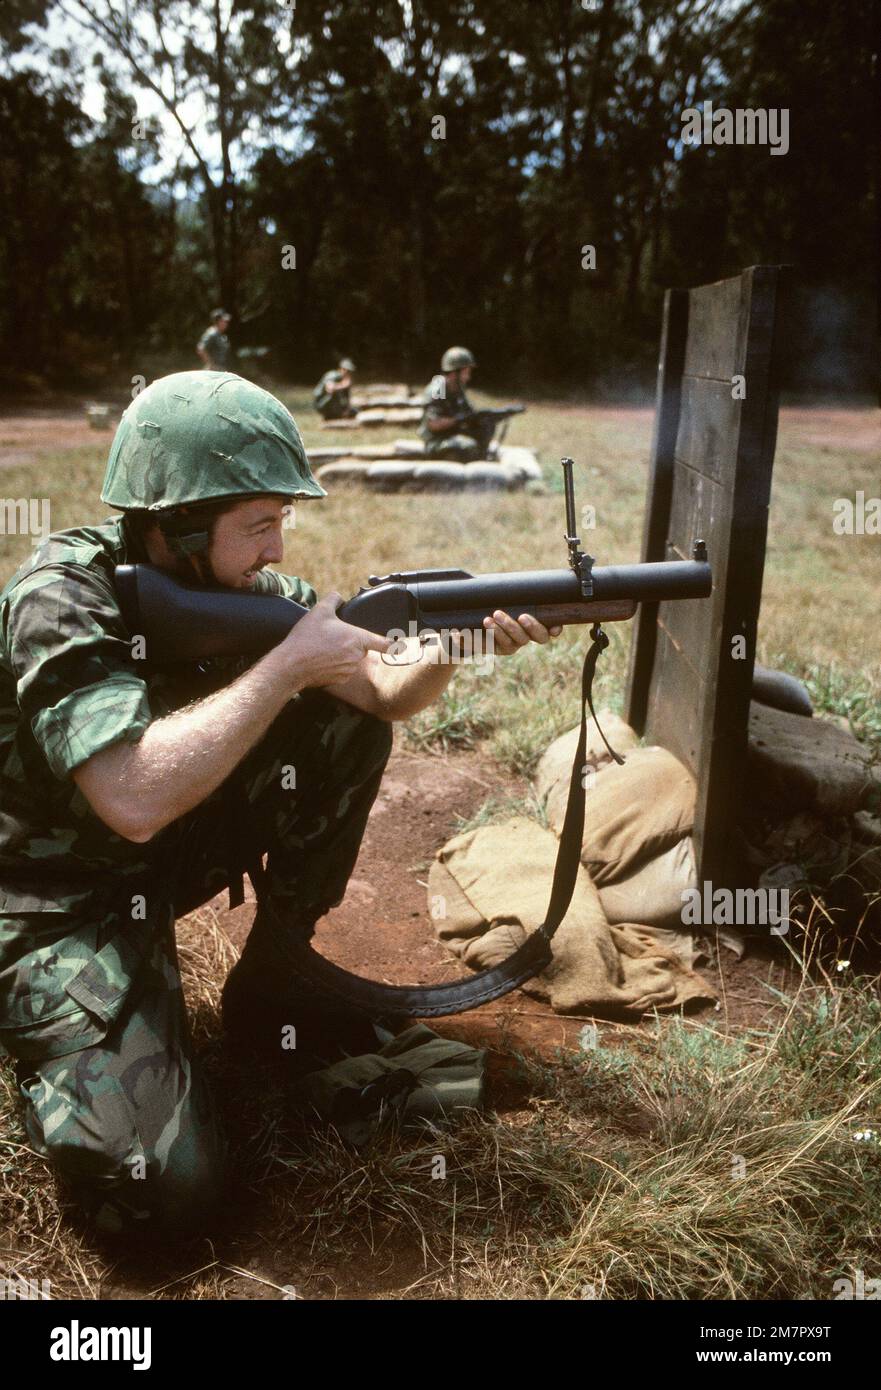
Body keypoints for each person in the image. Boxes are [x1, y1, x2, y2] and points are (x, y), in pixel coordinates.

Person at [0, 370, 561, 1243]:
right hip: (51, 901)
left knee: (339, 723)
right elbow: (132, 797)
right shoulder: (63, 598)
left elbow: (378, 691)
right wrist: (289, 666)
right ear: (177, 526)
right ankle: (66, 1037)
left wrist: (458, 644)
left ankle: (273, 983)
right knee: (162, 1200)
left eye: (281, 523)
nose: (277, 553)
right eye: (258, 526)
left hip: (150, 861)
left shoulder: (247, 599)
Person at [419, 346, 496, 461]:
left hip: (453, 435)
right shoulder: (438, 389)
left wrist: (481, 418)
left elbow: (469, 411)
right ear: (455, 373)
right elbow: (433, 424)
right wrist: (459, 419)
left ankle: (480, 461)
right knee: (467, 446)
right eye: (466, 373)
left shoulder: (458, 388)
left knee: (485, 428)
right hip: (437, 441)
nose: (468, 377)